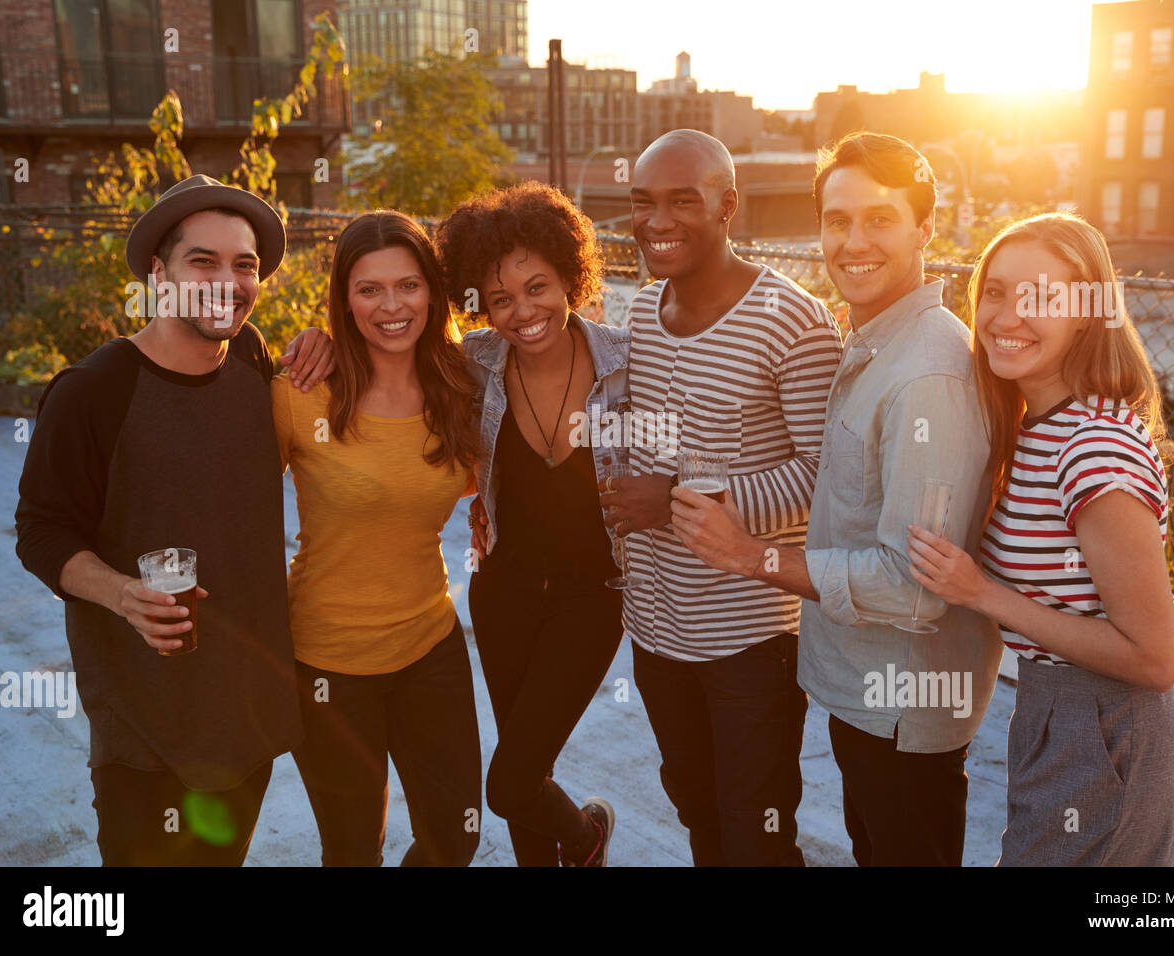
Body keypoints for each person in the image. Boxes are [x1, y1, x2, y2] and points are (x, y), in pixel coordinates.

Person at [671, 131, 1001, 866]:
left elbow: (916, 592)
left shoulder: (928, 375)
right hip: (869, 697)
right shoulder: (877, 342)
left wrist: (751, 557)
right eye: (837, 219)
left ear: (925, 229)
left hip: (904, 711)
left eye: (880, 219)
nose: (853, 241)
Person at [14, 173, 335, 865]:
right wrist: (123, 593)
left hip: (245, 716)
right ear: (159, 273)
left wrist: (325, 342)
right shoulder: (91, 393)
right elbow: (41, 532)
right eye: (203, 260)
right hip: (145, 728)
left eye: (243, 264)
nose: (229, 280)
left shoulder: (253, 361)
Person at [905, 212, 1174, 865]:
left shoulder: (1093, 449)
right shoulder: (1037, 426)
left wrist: (980, 592)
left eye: (1040, 297)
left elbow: (1154, 659)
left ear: (1087, 315)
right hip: (1057, 713)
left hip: (1109, 726)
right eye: (997, 291)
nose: (1007, 316)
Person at [604, 129, 843, 866]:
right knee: (701, 819)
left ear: (728, 205)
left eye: (684, 201)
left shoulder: (793, 321)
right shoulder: (642, 312)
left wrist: (673, 497)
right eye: (643, 202)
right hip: (655, 630)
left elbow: (823, 477)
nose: (658, 220)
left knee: (757, 838)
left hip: (750, 641)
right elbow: (651, 438)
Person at [272, 209, 483, 867]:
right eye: (369, 289)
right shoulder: (300, 392)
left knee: (457, 837)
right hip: (326, 663)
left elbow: (502, 473)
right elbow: (231, 510)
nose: (392, 306)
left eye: (409, 285)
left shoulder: (463, 387)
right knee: (354, 849)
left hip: (429, 646)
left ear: (433, 292)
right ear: (345, 299)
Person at [435, 182, 629, 866]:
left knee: (510, 780)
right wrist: (320, 342)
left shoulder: (627, 364)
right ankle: (570, 847)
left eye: (538, 286)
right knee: (526, 770)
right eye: (500, 300)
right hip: (504, 592)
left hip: (593, 600)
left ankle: (584, 838)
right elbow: (380, 360)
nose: (523, 312)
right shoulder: (473, 365)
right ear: (480, 307)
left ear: (571, 279)